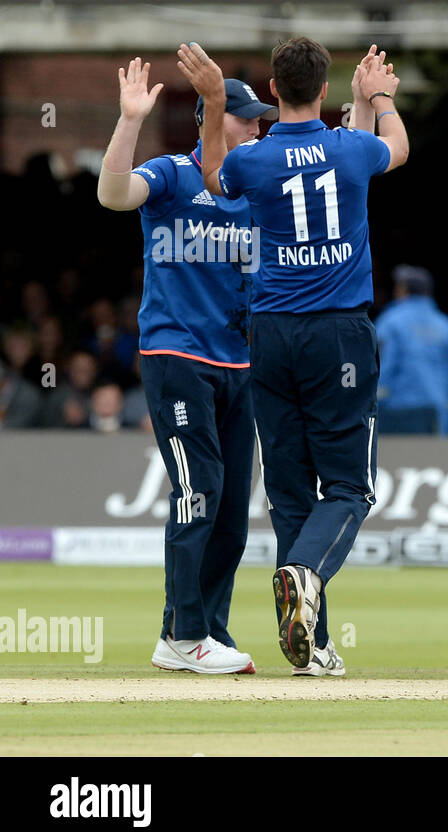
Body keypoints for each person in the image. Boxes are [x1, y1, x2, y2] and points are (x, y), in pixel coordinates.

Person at [178, 39, 409, 676]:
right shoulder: (352, 147)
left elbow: (212, 176)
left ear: (274, 92)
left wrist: (215, 99)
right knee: (350, 487)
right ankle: (305, 571)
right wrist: (379, 98)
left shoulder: (254, 157)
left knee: (288, 495)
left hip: (272, 334)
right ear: (325, 87)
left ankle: (313, 645)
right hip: (337, 335)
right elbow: (398, 149)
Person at [98, 58, 275, 674]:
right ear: (213, 120)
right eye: (245, 122)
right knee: (196, 491)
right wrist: (128, 122)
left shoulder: (255, 192)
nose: (255, 133)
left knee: (229, 509)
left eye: (257, 124)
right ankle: (183, 634)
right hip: (176, 357)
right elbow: (113, 194)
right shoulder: (172, 175)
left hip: (240, 362)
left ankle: (204, 632)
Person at [375, 264, 448, 435]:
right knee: (429, 461)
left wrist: (373, 403)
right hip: (436, 409)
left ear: (403, 290)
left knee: (394, 461)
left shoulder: (390, 322)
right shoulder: (447, 326)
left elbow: (382, 366)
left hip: (396, 408)